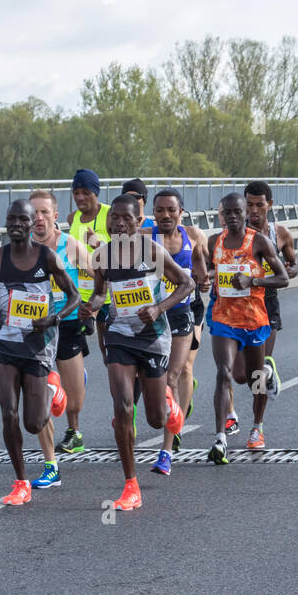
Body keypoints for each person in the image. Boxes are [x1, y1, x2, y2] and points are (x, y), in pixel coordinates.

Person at [0, 200, 77, 506]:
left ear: (30, 224)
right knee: (8, 413)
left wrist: (54, 318)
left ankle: (53, 388)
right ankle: (21, 482)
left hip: (38, 344)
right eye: (10, 219)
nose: (15, 224)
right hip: (6, 344)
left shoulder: (46, 257)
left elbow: (73, 296)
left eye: (21, 219)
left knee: (34, 424)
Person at [80, 195, 190, 511]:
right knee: (123, 407)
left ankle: (170, 405)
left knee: (157, 420)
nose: (118, 223)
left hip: (153, 337)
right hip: (119, 336)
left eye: (126, 218)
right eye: (114, 218)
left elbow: (186, 284)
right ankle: (131, 485)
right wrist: (93, 307)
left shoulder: (152, 252)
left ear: (138, 222)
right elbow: (102, 293)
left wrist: (158, 308)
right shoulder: (101, 256)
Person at [205, 193, 288, 462]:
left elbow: (283, 278)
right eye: (227, 212)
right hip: (223, 319)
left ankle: (257, 427)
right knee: (224, 372)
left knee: (252, 380)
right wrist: (205, 281)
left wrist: (253, 281)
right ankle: (220, 438)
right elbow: (208, 271)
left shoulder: (259, 241)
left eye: (237, 212)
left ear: (245, 213)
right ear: (222, 214)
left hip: (253, 320)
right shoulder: (213, 242)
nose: (232, 216)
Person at [217, 181, 298, 439]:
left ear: (269, 205)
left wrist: (257, 279)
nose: (253, 210)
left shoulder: (279, 234)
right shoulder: (231, 232)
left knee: (257, 371)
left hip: (266, 305)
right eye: (249, 204)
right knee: (240, 376)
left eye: (259, 205)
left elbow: (292, 268)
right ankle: (266, 371)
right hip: (233, 309)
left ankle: (257, 427)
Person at [28, 189, 93, 485]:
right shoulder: (23, 250)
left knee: (73, 403)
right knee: (41, 394)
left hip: (67, 324)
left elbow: (98, 274)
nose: (38, 218)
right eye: (33, 213)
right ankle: (50, 464)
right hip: (37, 328)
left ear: (55, 216)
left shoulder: (70, 245)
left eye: (44, 212)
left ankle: (71, 394)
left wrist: (91, 309)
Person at [148, 188, 208, 473]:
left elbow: (202, 262)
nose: (165, 215)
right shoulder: (145, 238)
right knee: (152, 378)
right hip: (151, 317)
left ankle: (166, 452)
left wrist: (204, 278)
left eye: (171, 210)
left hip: (181, 314)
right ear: (153, 213)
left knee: (173, 374)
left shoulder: (192, 235)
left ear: (180, 212)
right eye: (159, 210)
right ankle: (166, 415)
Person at [66, 168, 112, 365]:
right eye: (76, 192)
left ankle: (124, 391)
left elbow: (125, 251)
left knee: (107, 348)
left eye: (86, 192)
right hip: (81, 295)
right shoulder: (72, 218)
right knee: (72, 351)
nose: (80, 197)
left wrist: (99, 245)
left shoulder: (110, 215)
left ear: (96, 193)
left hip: (107, 295)